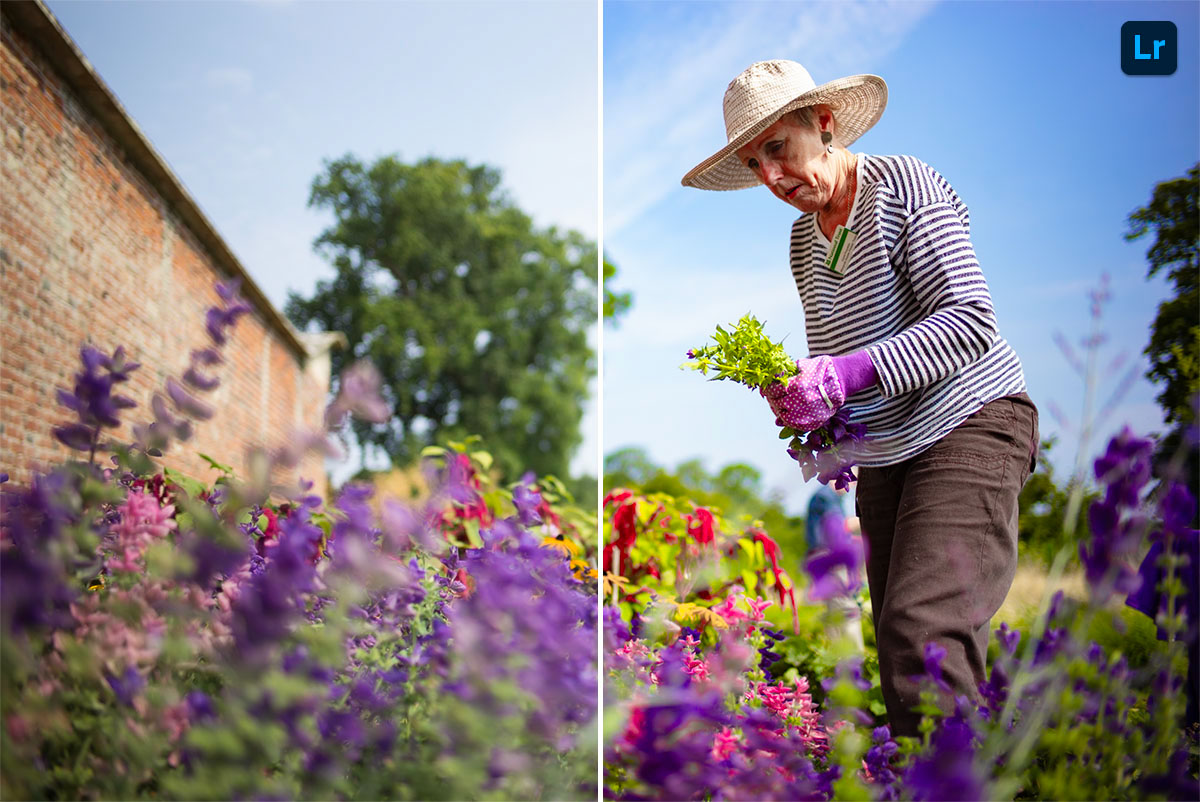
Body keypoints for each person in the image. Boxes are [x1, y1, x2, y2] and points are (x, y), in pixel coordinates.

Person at [681, 60, 1039, 738]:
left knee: (923, 627)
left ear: (823, 124)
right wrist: (812, 407)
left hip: (971, 420)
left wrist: (844, 374)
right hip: (890, 451)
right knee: (901, 644)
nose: (772, 178)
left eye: (778, 149)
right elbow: (841, 364)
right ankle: (932, 777)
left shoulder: (904, 185)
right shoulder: (802, 241)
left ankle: (953, 779)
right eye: (755, 164)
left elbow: (970, 320)